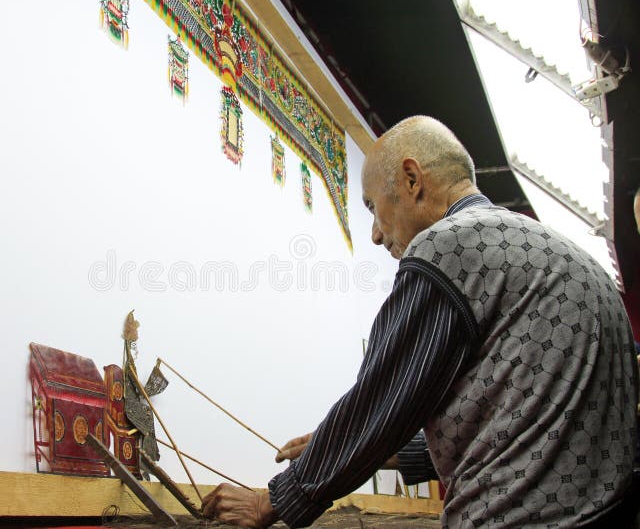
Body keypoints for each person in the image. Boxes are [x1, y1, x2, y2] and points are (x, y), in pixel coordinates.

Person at [202, 116, 638, 527]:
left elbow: (382, 402)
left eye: (373, 206)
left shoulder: (448, 246)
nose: (375, 233)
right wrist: (385, 453)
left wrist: (274, 499)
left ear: (412, 180)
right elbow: (524, 425)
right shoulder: (576, 261)